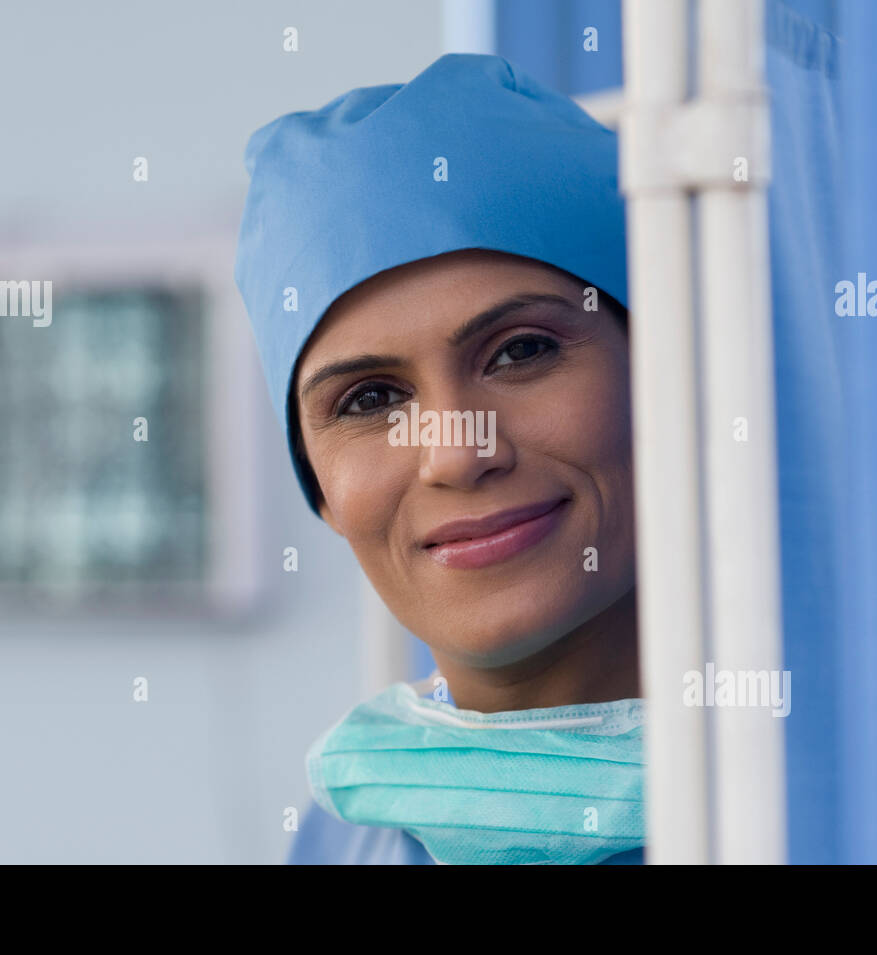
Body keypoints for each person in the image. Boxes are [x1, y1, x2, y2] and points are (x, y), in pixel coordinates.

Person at [234, 53, 643, 865]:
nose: (458, 453)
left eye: (521, 350)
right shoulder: (346, 837)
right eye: (370, 400)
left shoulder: (845, 799)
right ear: (318, 484)